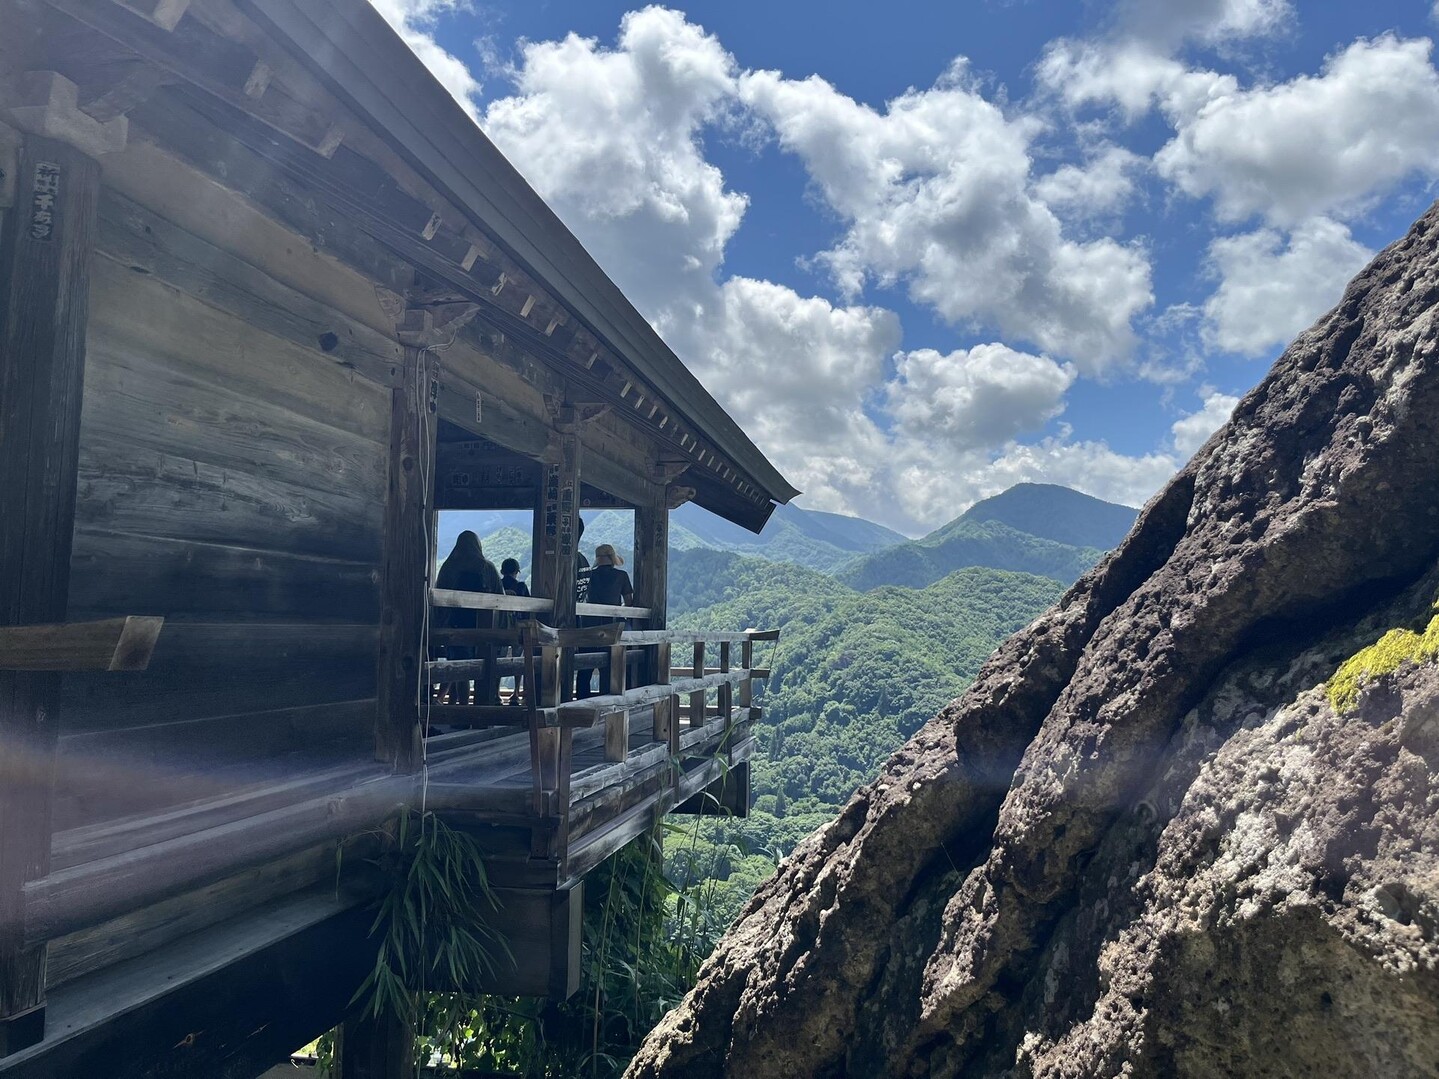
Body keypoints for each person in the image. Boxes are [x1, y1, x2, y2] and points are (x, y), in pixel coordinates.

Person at [433, 531, 502, 705]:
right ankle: (473, 708)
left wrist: (439, 624)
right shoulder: (487, 567)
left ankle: (456, 704)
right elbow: (500, 597)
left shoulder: (448, 567)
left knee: (457, 665)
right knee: (479, 666)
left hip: (453, 624)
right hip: (482, 626)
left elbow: (438, 597)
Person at [500, 558, 529, 705]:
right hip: (518, 628)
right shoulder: (521, 587)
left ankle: (494, 693)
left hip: (499, 628)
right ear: (516, 572)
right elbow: (528, 608)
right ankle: (516, 693)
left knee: (498, 659)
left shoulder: (498, 586)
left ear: (502, 571)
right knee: (518, 660)